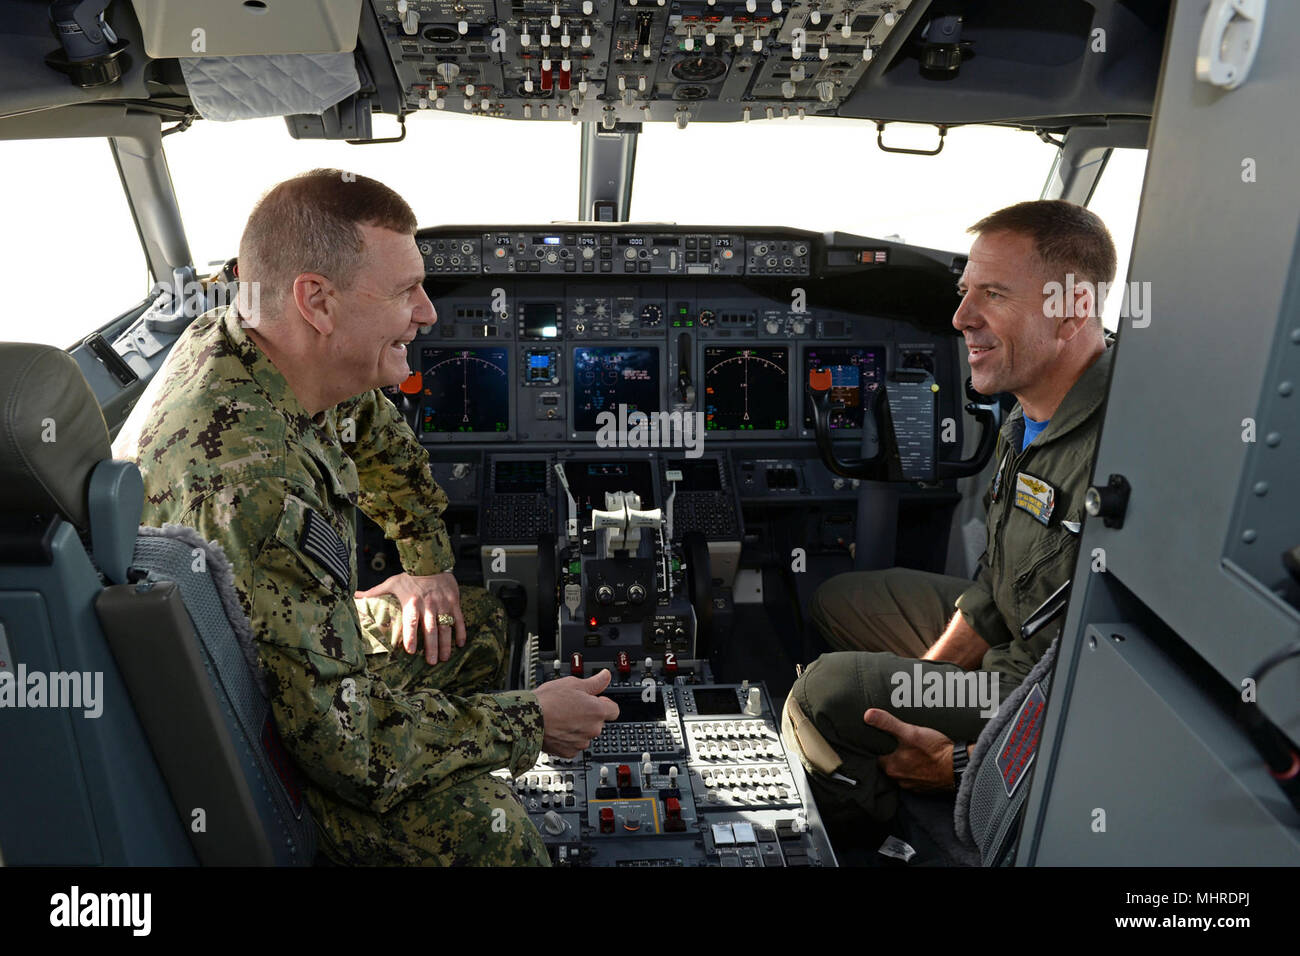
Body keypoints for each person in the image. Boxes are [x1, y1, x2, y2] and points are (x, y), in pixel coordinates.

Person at [113, 169, 618, 865]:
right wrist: (531, 721)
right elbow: (349, 752)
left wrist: (427, 564)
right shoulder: (248, 484)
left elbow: (378, 438)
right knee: (487, 825)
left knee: (470, 626)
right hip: (252, 743)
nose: (429, 313)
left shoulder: (267, 345)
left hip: (265, 654)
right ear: (317, 301)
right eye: (407, 290)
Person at [782, 199, 1117, 825]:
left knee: (823, 693)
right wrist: (925, 684)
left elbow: (1115, 691)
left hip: (1044, 689)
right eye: (965, 291)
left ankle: (888, 832)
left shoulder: (1126, 448)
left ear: (1071, 312)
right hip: (1014, 632)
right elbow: (994, 585)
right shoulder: (1032, 408)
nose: (961, 318)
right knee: (841, 597)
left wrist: (963, 764)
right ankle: (910, 729)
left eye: (993, 293)